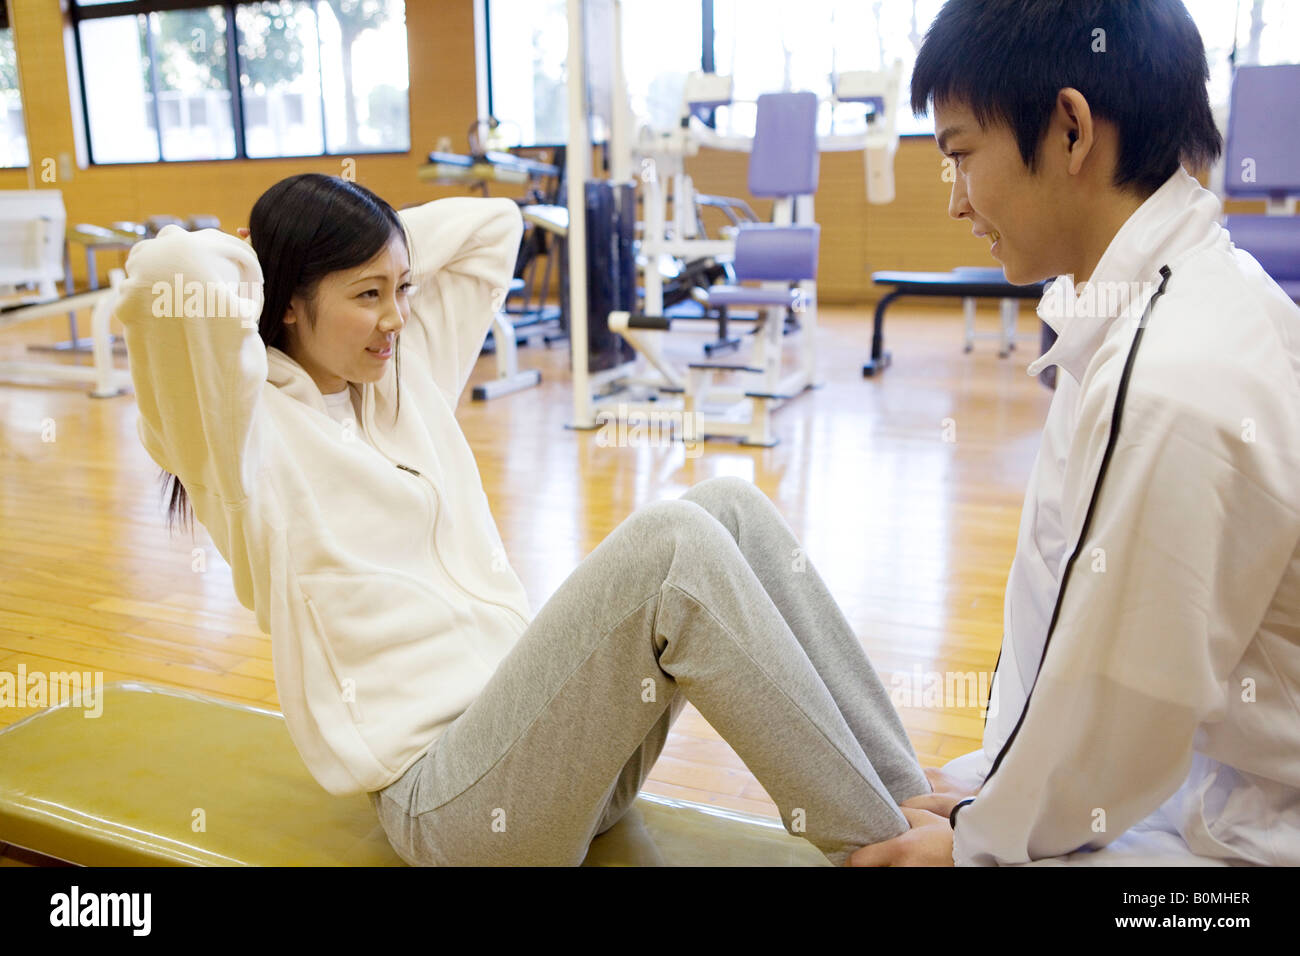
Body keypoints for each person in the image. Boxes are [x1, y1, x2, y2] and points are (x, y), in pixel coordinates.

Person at [115, 172, 938, 867]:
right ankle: (877, 847)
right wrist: (262, 254)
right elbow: (170, 271)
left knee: (726, 503)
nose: (397, 318)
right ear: (287, 302)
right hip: (451, 808)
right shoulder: (241, 435)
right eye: (367, 296)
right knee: (672, 548)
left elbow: (492, 225)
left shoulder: (403, 381)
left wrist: (375, 249)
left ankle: (908, 797)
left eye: (402, 290)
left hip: (548, 755)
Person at [850, 0, 1299, 866]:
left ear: (1068, 130)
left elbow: (1118, 711)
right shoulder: (1136, 308)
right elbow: (1064, 629)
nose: (955, 201)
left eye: (961, 156)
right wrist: (994, 792)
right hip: (1197, 789)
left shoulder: (1174, 379)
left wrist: (980, 840)